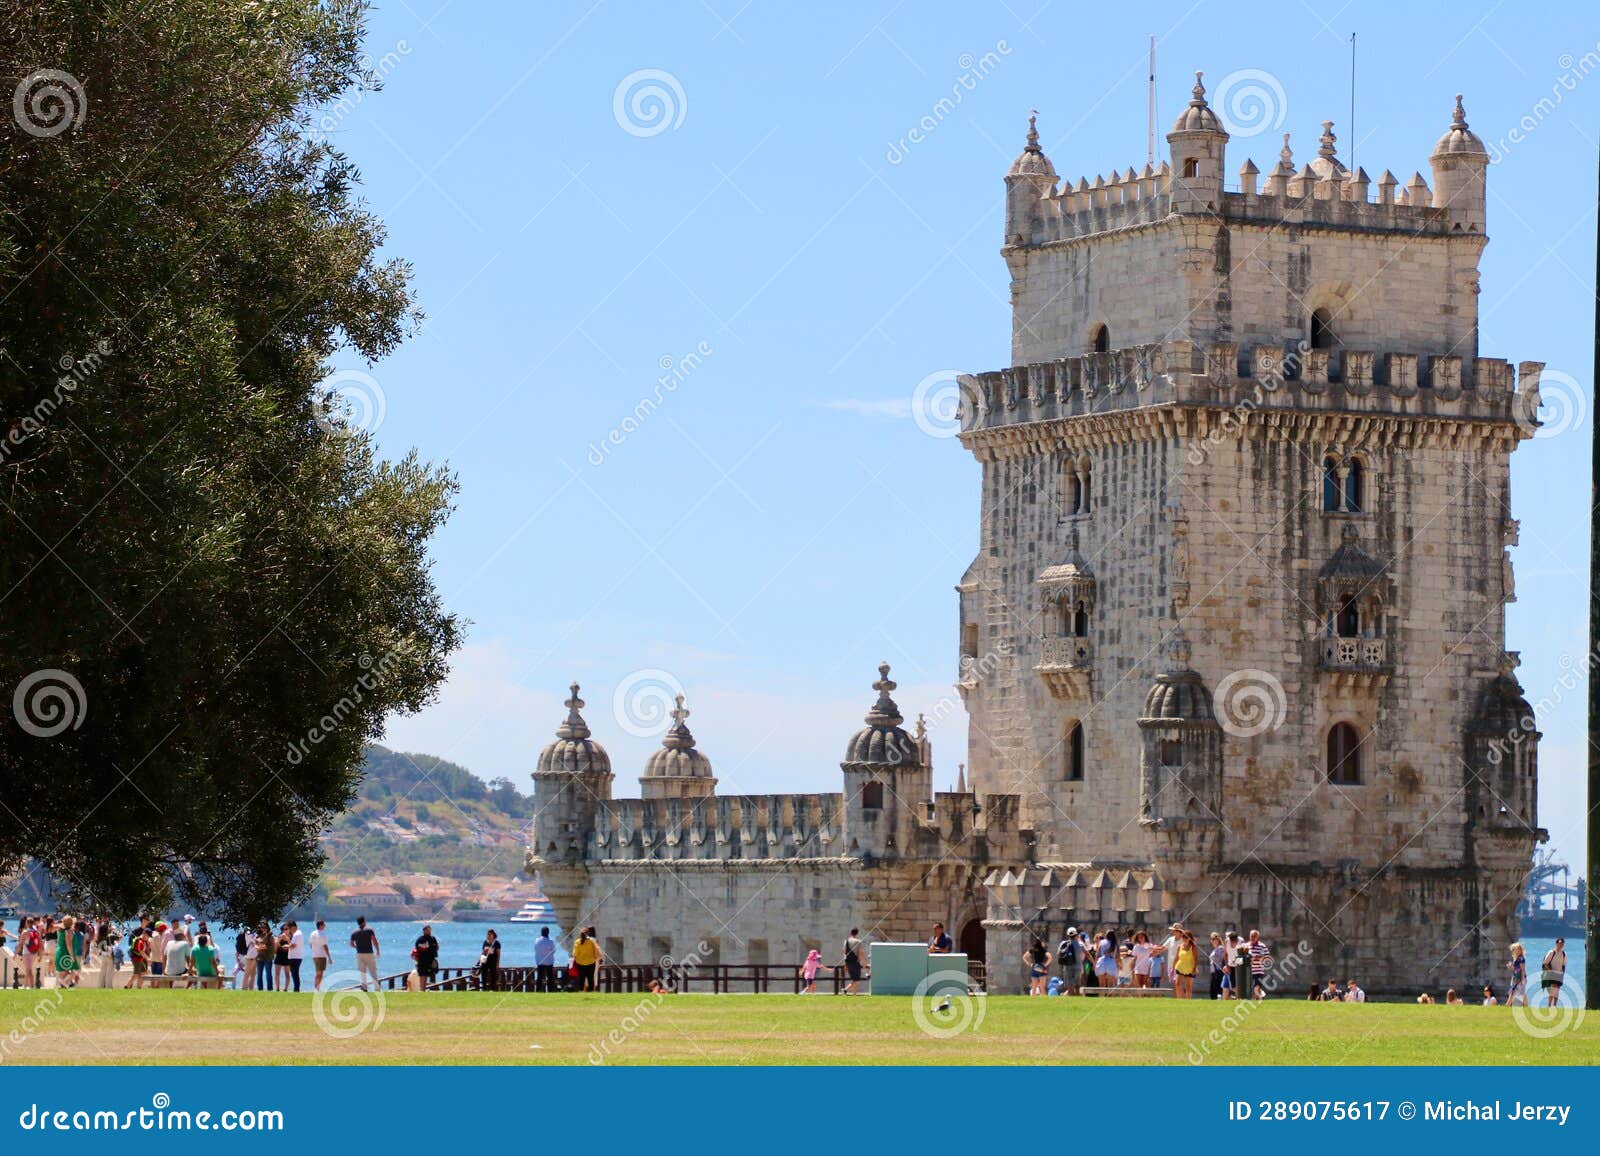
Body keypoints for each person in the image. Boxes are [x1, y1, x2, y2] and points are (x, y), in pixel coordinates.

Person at [350, 917, 380, 991]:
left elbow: (351, 944)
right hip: (369, 953)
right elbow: (374, 941)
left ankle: (364, 987)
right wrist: (378, 950)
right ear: (364, 922)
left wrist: (357, 947)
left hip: (359, 953)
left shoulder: (354, 932)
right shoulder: (369, 930)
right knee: (373, 970)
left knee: (362, 972)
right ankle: (376, 987)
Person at [53, 915, 81, 988]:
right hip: (66, 953)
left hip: (61, 952)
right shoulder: (68, 932)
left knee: (64, 972)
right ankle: (64, 984)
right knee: (75, 970)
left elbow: (55, 926)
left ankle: (64, 985)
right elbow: (69, 945)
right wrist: (72, 956)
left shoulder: (60, 930)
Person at [1541, 937, 1567, 1007]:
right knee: (1553, 989)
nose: (1561, 945)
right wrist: (1550, 971)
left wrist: (1563, 973)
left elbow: (1564, 965)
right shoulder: (1551, 952)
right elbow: (1545, 963)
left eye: (1562, 944)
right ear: (1556, 943)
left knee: (1557, 990)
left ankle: (1554, 1005)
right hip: (1552, 973)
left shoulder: (1564, 954)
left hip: (1559, 974)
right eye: (1559, 943)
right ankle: (1549, 1005)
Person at [1172, 930, 1198, 1000]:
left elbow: (1195, 959)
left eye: (1186, 937)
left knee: (1188, 987)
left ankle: (1187, 1002)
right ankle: (1180, 1000)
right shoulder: (1179, 946)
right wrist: (1173, 967)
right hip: (1180, 967)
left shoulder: (1193, 947)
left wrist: (1194, 969)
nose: (1184, 938)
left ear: (1189, 938)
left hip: (1190, 968)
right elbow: (1176, 958)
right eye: (1183, 936)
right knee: (1177, 985)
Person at [414, 924, 440, 988]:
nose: (429, 931)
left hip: (431, 960)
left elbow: (436, 948)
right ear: (424, 931)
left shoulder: (433, 938)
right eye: (428, 930)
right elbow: (419, 948)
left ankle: (426, 989)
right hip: (422, 961)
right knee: (423, 975)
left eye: (430, 930)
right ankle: (422, 990)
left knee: (431, 975)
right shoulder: (420, 939)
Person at [1247, 929, 1271, 999]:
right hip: (1249, 971)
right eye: (1251, 936)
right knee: (1252, 989)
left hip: (1258, 971)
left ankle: (1260, 997)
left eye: (1254, 936)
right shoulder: (1246, 946)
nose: (1252, 937)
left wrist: (1258, 958)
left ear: (1257, 937)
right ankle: (1260, 998)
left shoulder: (1262, 946)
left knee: (1256, 987)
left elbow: (1268, 958)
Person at [309, 920, 332, 991]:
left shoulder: (312, 933)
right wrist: (329, 957)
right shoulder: (322, 934)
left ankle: (317, 987)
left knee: (318, 972)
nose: (325, 926)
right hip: (321, 955)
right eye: (324, 925)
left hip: (315, 955)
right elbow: (325, 946)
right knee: (320, 973)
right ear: (321, 925)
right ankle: (317, 988)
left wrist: (314, 950)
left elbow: (310, 944)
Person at [840, 928, 864, 995]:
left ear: (851, 933)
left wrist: (845, 964)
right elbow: (861, 952)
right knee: (857, 980)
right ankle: (845, 990)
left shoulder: (846, 941)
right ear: (857, 933)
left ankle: (854, 993)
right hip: (855, 962)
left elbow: (844, 952)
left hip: (848, 962)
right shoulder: (858, 941)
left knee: (855, 979)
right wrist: (863, 963)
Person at [533, 926, 557, 992]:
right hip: (549, 962)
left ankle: (538, 990)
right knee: (550, 977)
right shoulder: (550, 941)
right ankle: (550, 990)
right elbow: (554, 950)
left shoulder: (537, 940)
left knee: (539, 977)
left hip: (540, 962)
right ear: (548, 933)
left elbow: (535, 949)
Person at [129, 923, 152, 988]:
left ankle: (138, 987)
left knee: (142, 973)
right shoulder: (140, 941)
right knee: (137, 974)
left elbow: (147, 951)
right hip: (137, 959)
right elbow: (141, 952)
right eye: (148, 935)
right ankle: (128, 985)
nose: (148, 937)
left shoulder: (146, 941)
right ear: (144, 934)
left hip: (141, 959)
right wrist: (148, 958)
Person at [285, 921, 305, 992]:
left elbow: (293, 945)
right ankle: (296, 988)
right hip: (296, 956)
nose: (289, 930)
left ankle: (296, 989)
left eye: (289, 928)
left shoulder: (296, 934)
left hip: (295, 957)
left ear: (293, 927)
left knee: (295, 973)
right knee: (294, 973)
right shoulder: (299, 933)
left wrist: (286, 946)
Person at [1506, 942, 1528, 1007]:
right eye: (1514, 949)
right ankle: (1508, 1005)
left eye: (1516, 949)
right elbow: (1515, 969)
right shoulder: (1516, 958)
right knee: (1518, 993)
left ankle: (1507, 1005)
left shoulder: (1521, 958)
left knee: (1516, 992)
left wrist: (1523, 979)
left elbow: (1522, 969)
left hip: (1520, 978)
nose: (1514, 951)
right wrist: (1511, 967)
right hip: (1516, 977)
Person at [254, 922, 275, 990]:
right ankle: (260, 989)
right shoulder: (259, 936)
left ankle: (270, 988)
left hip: (268, 957)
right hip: (260, 957)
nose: (263, 929)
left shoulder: (270, 936)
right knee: (259, 974)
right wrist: (257, 946)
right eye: (262, 927)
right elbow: (255, 945)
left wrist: (262, 947)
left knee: (268, 974)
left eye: (265, 927)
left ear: (267, 928)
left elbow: (270, 947)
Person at [1207, 933, 1228, 1000]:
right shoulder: (1214, 949)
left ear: (1218, 940)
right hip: (1213, 971)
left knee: (1217, 990)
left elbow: (1222, 958)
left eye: (1214, 939)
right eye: (1212, 939)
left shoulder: (1220, 948)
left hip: (1219, 971)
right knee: (1213, 990)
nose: (1213, 941)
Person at [272, 923, 291, 992]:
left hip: (287, 957)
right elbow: (274, 950)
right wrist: (278, 941)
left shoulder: (291, 937)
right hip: (279, 956)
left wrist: (288, 940)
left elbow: (293, 947)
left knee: (287, 974)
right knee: (277, 973)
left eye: (286, 929)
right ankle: (277, 988)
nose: (285, 931)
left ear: (289, 930)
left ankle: (285, 989)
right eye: (283, 929)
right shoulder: (278, 937)